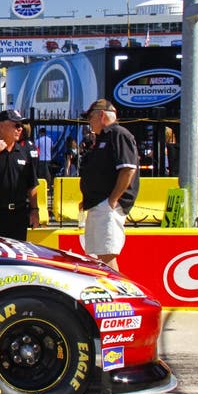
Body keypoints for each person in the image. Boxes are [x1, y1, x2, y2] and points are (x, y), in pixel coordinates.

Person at [79, 99, 139, 271]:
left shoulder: (118, 134)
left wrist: (113, 200)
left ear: (102, 115)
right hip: (98, 203)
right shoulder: (102, 138)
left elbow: (128, 169)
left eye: (90, 117)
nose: (89, 122)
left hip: (108, 205)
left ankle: (116, 288)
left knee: (107, 256)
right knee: (100, 256)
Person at [0, 110, 40, 241]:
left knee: (17, 253)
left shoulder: (24, 152)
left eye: (21, 125)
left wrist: (34, 210)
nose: (20, 129)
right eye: (16, 125)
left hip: (19, 214)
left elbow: (31, 184)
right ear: (2, 126)